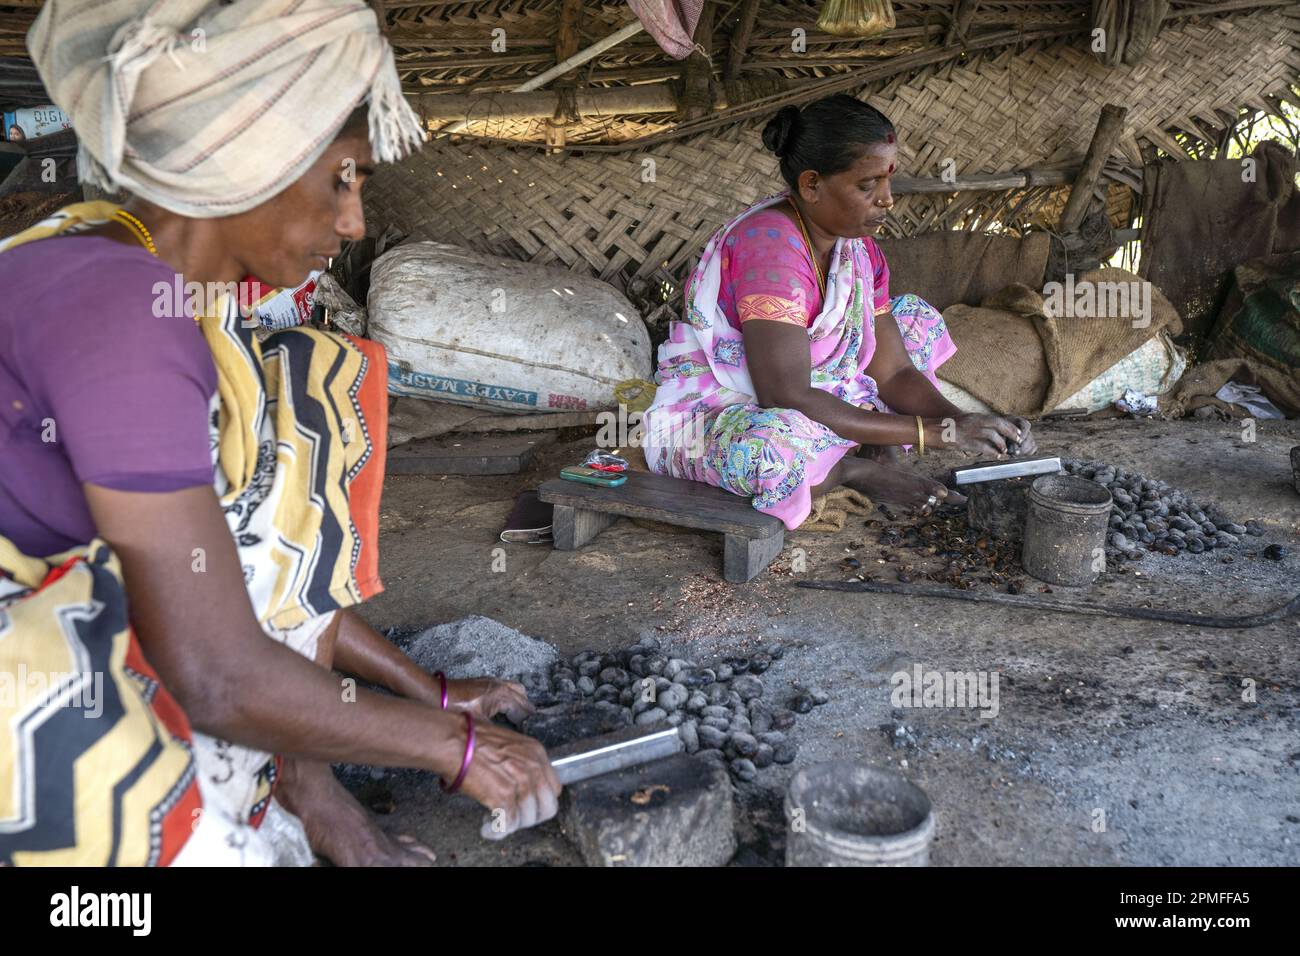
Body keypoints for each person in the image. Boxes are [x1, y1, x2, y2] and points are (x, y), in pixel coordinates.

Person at [0, 0, 559, 867]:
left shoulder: (169, 292)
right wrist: (454, 746)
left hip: (99, 604)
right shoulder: (121, 310)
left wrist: (417, 708)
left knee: (310, 384)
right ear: (243, 162)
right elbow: (216, 669)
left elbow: (250, 575)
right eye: (345, 178)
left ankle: (296, 783)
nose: (354, 223)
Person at [642, 95, 1037, 530]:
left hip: (815, 393)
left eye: (887, 181)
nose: (886, 200)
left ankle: (862, 440)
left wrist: (959, 421)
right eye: (867, 186)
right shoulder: (771, 247)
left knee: (915, 321)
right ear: (811, 185)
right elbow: (784, 396)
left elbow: (893, 371)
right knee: (772, 450)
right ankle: (851, 469)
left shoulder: (858, 250)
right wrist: (931, 433)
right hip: (726, 404)